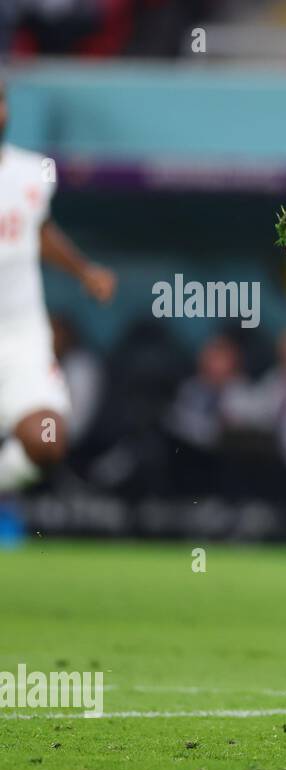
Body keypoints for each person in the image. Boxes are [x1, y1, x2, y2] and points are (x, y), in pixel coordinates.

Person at [0, 76, 116, 493]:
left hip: (20, 339)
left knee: (47, 440)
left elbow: (38, 229)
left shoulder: (31, 173)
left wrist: (85, 271)